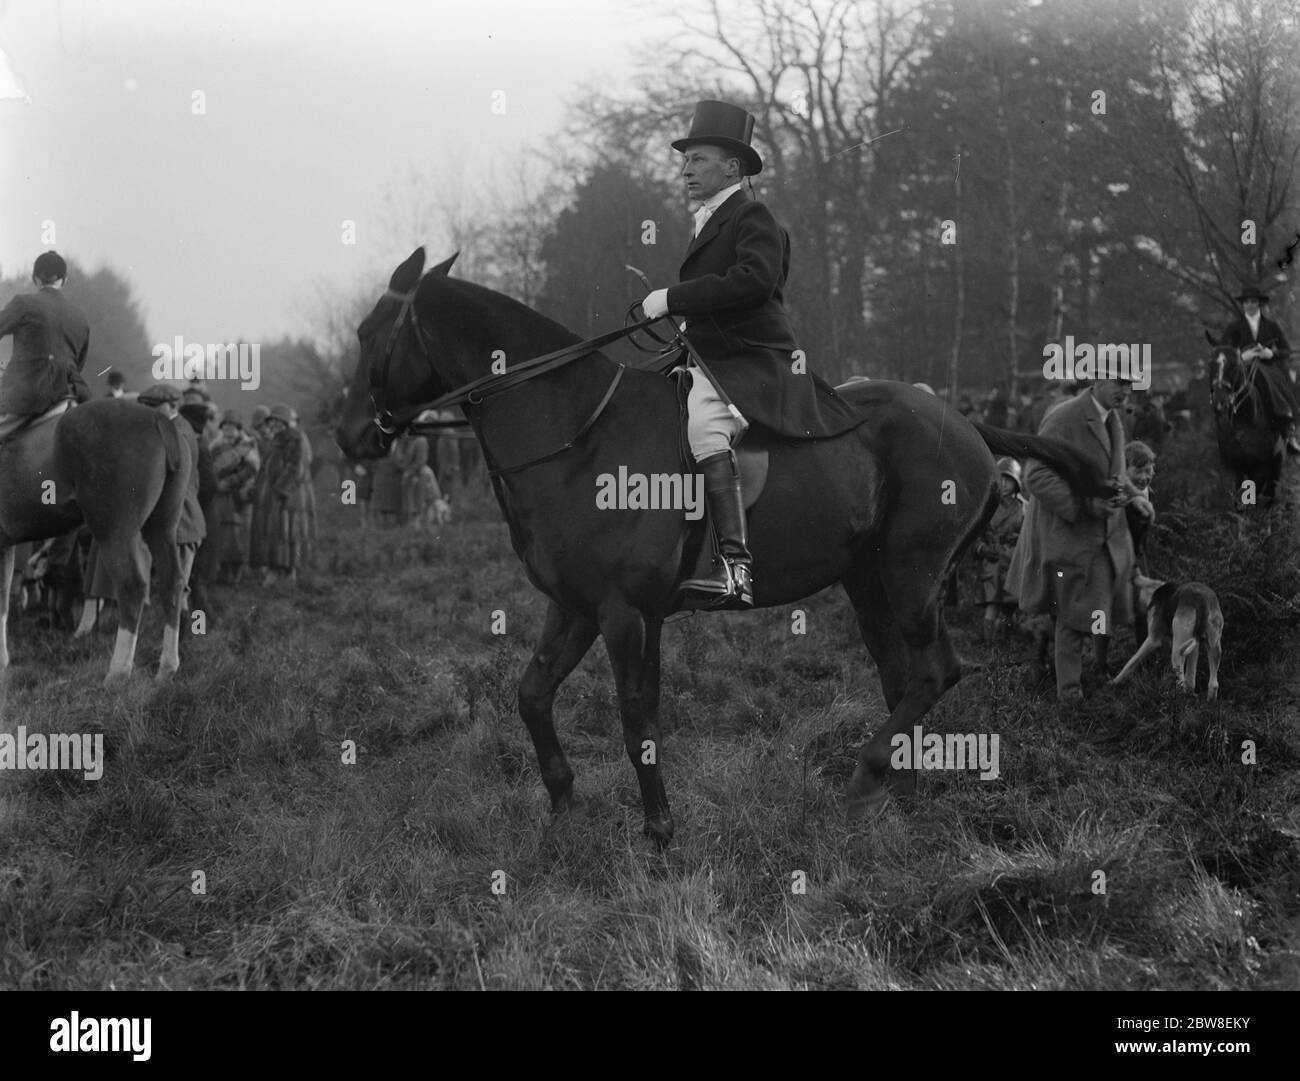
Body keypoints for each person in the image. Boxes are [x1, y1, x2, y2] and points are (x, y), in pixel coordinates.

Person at [640, 99, 866, 608]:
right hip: (711, 357)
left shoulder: (752, 215)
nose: (686, 170)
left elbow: (754, 281)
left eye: (697, 159)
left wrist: (673, 299)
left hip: (753, 360)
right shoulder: (710, 219)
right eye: (685, 160)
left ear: (732, 167)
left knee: (705, 428)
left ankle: (735, 568)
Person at [1006, 373, 1137, 705]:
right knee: (1072, 614)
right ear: (1099, 379)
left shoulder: (1112, 419)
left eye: (1131, 384)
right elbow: (1036, 475)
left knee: (1087, 608)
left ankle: (1051, 666)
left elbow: (1111, 472)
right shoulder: (1065, 417)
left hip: (1099, 534)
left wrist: (1129, 495)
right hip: (1064, 533)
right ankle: (1070, 697)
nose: (1126, 390)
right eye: (1119, 382)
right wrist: (1085, 506)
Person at [0, 251, 91, 443]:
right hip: (73, 395)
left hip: (29, 397)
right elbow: (79, 364)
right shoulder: (80, 317)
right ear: (64, 280)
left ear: (35, 279)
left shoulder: (23, 304)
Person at [137, 383, 204, 612]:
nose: (149, 410)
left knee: (179, 587)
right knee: (176, 585)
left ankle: (183, 642)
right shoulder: (172, 426)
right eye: (146, 406)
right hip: (178, 519)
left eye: (155, 406)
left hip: (183, 520)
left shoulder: (178, 431)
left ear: (173, 405)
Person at [1218, 283, 1299, 454]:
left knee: (1284, 391)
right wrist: (1240, 356)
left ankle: (1288, 431)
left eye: (1253, 302)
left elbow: (1286, 349)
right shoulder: (1234, 327)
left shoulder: (1271, 325)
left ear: (1259, 304)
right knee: (1224, 391)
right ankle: (1225, 435)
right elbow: (1224, 350)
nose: (1249, 305)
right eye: (1246, 302)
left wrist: (1270, 353)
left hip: (1268, 367)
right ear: (1243, 305)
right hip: (1243, 368)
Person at [251, 403, 311, 586]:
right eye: (272, 422)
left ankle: (286, 572)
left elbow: (295, 468)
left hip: (288, 497)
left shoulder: (294, 439)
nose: (275, 425)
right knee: (276, 534)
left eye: (278, 422)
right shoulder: (276, 440)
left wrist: (280, 489)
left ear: (286, 423)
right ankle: (277, 571)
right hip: (273, 495)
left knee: (287, 534)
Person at [974, 457, 1027, 645]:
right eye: (1001, 478)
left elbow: (1029, 537)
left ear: (1016, 482)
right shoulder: (987, 505)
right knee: (993, 605)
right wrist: (982, 548)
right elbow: (975, 534)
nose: (1004, 484)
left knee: (1010, 607)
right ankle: (989, 646)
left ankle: (1007, 645)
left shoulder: (1023, 508)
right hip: (992, 562)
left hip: (1014, 561)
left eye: (1009, 479)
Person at [211, 410, 261, 584]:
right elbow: (211, 468)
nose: (229, 430)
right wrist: (218, 483)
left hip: (239, 496)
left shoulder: (246, 447)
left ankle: (237, 573)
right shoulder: (216, 446)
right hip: (220, 497)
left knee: (239, 535)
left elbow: (251, 469)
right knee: (222, 534)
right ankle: (222, 570)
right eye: (226, 426)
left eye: (232, 427)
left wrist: (231, 481)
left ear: (239, 429)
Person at [1124, 440, 1157, 645]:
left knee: (1144, 605)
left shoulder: (1147, 494)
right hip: (1117, 555)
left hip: (1138, 555)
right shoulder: (1119, 496)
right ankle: (1099, 663)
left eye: (1149, 471)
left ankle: (1144, 653)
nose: (1145, 477)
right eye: (1139, 471)